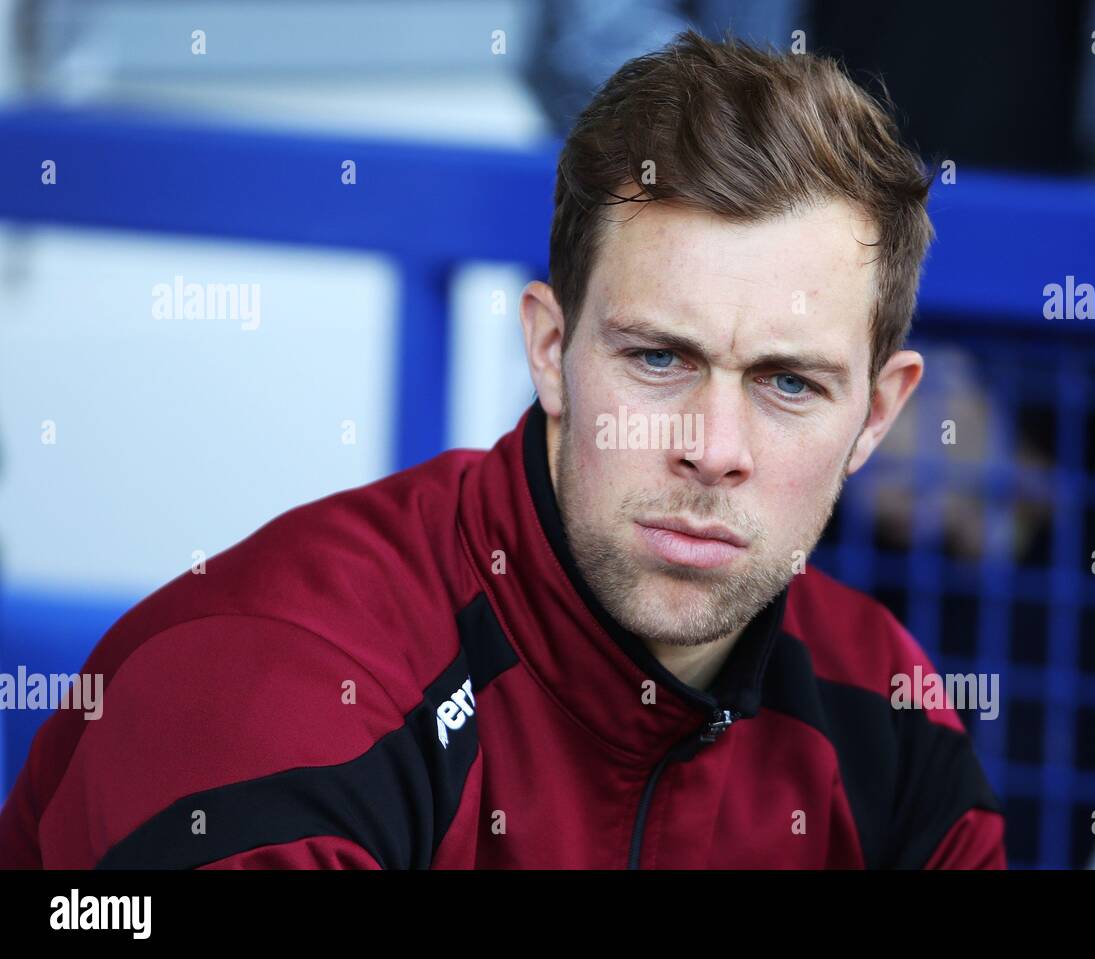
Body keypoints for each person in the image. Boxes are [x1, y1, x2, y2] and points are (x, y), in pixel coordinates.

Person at [0, 31, 1005, 869]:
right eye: (660, 358)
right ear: (551, 351)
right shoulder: (277, 692)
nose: (714, 448)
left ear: (875, 416)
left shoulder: (889, 720)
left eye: (789, 383)